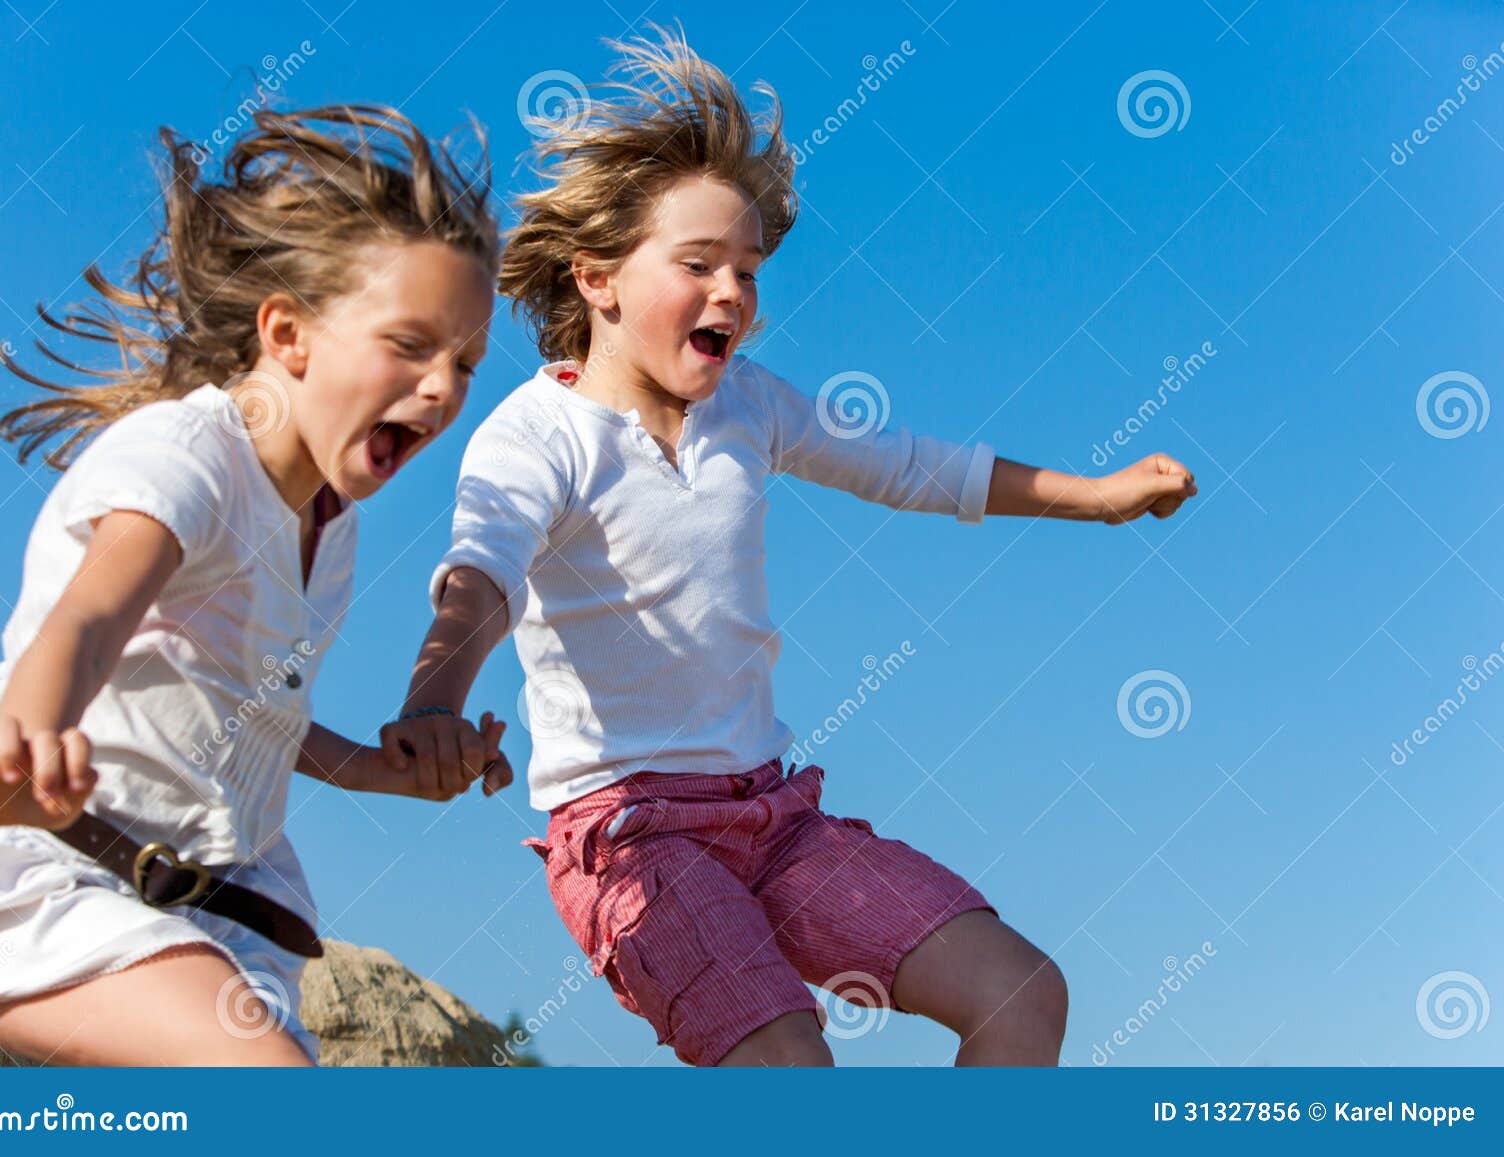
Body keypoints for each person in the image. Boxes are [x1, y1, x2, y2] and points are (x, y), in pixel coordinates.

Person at [390, 29, 1197, 1067]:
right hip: (632, 837)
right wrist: (430, 700)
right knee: (789, 1062)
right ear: (596, 279)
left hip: (774, 820)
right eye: (698, 264)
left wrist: (1094, 494)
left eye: (748, 269)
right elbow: (481, 580)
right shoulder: (533, 435)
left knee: (1021, 992)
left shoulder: (751, 409)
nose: (732, 292)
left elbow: (911, 466)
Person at [0, 104, 504, 1066]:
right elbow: (96, 609)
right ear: (288, 333)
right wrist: (35, 728)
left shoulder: (330, 524)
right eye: (409, 344)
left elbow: (241, 704)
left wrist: (371, 768)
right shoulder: (190, 457)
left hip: (216, 907)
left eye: (464, 362)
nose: (442, 388)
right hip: (46, 869)